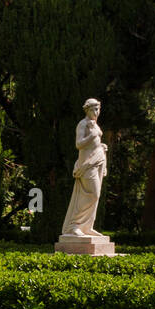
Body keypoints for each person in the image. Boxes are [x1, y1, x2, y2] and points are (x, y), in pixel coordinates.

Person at [60, 98, 108, 237]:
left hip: (97, 160)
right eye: (93, 109)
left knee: (95, 196)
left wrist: (101, 148)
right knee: (93, 194)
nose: (96, 112)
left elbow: (94, 144)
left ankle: (87, 227)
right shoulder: (83, 124)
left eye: (98, 109)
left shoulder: (95, 124)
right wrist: (92, 136)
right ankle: (74, 224)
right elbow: (79, 144)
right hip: (86, 164)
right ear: (87, 110)